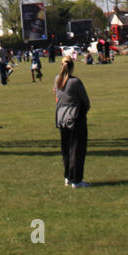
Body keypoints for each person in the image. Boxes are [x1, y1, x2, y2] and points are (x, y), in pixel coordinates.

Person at [55, 56, 90, 187]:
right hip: (75, 117)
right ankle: (77, 179)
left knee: (66, 149)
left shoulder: (57, 81)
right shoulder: (75, 82)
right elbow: (85, 101)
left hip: (61, 117)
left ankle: (68, 176)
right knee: (77, 149)